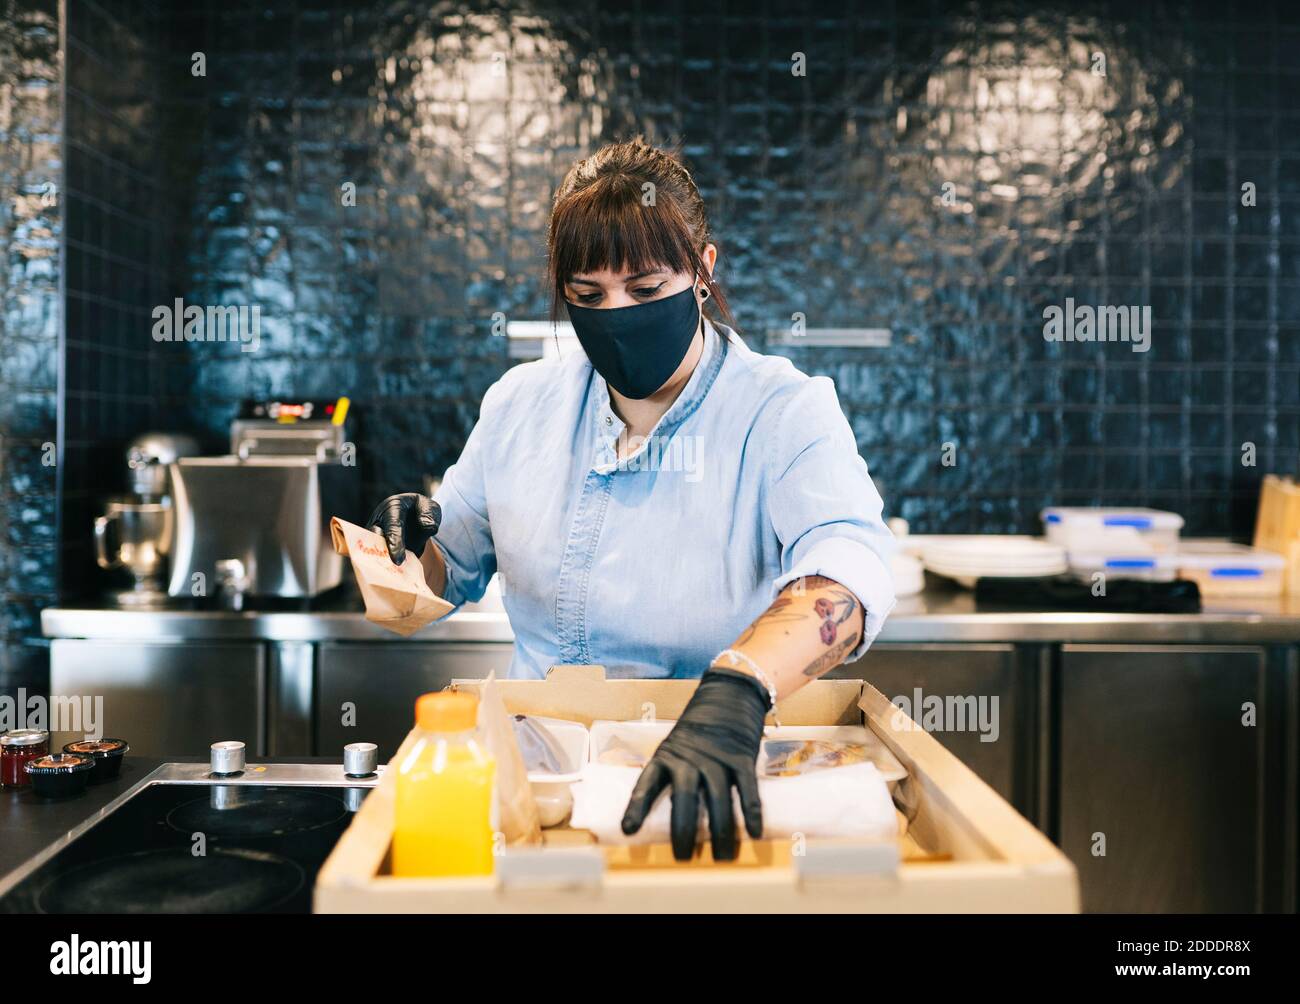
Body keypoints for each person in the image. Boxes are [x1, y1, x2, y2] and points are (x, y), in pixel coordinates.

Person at [369, 137, 895, 861]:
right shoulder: (519, 405)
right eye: (587, 296)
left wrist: (740, 688)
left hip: (702, 785)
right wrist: (400, 551)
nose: (617, 314)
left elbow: (850, 565)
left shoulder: (781, 411)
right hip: (536, 798)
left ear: (703, 272)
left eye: (646, 290)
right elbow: (439, 578)